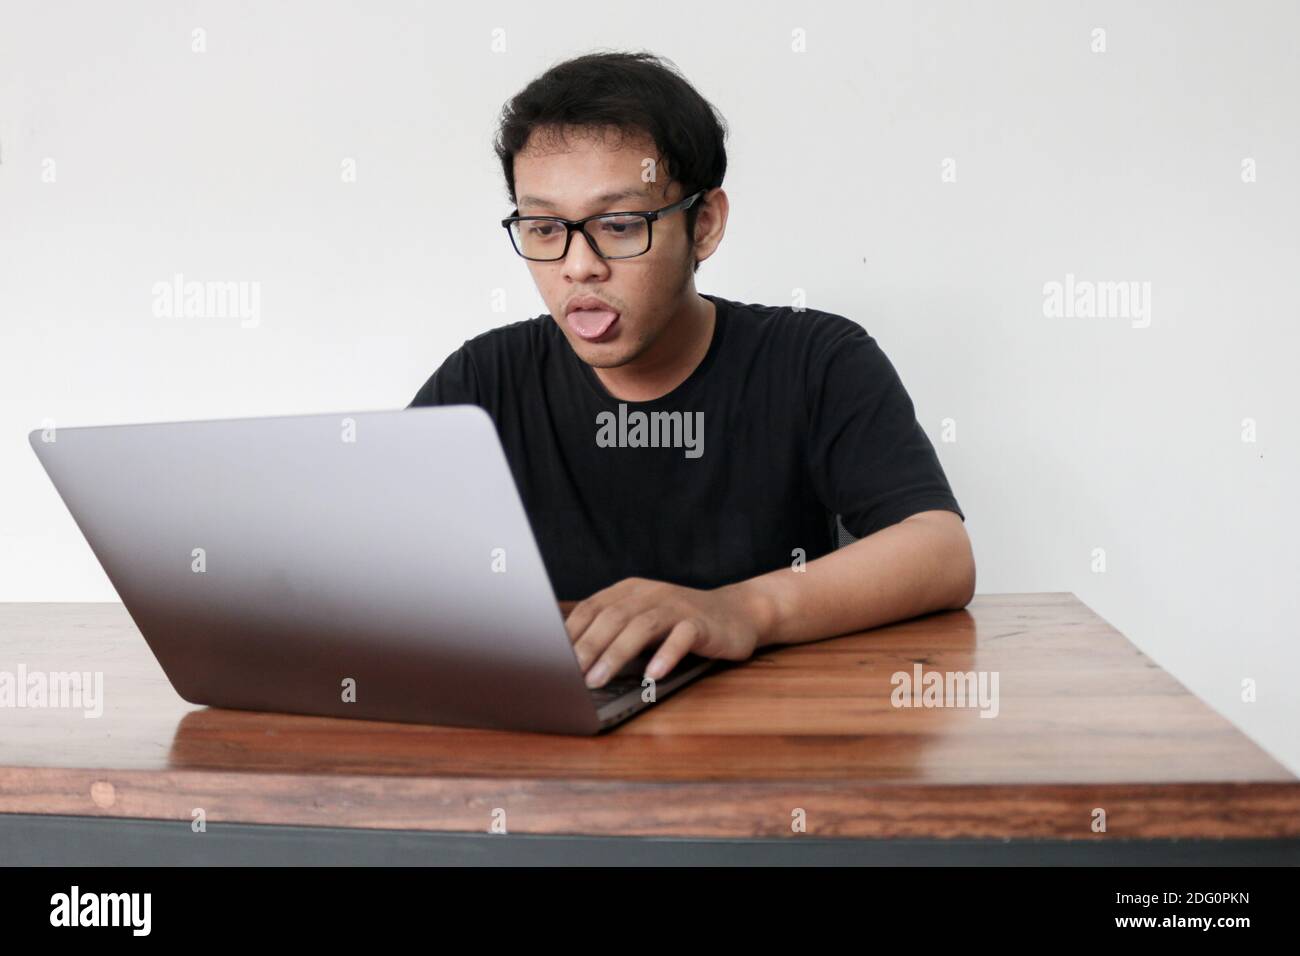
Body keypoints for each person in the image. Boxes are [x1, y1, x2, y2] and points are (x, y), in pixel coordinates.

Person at [409, 50, 975, 690]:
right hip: (563, 741)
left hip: (770, 735)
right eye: (543, 228)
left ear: (704, 226)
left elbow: (939, 551)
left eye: (619, 225)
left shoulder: (816, 359)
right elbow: (363, 551)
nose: (578, 266)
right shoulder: (486, 378)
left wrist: (740, 609)